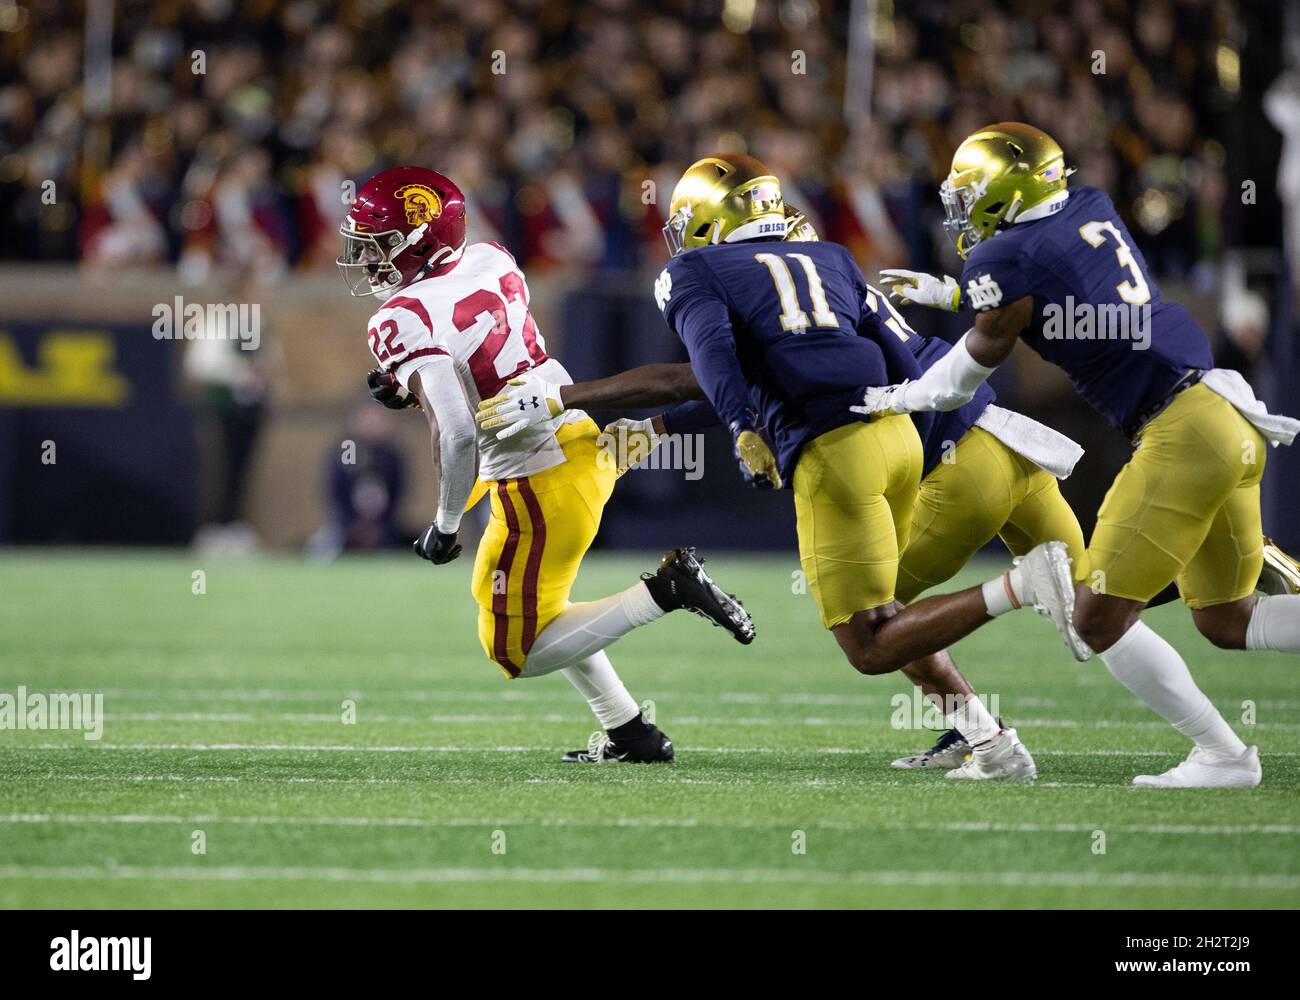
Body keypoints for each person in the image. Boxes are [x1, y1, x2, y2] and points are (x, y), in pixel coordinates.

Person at [480, 154, 1088, 780]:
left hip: (843, 456)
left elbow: (710, 365)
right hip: (905, 436)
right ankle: (988, 741)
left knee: (872, 640)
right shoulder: (831, 258)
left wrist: (730, 423)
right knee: (898, 613)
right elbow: (896, 366)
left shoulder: (695, 269)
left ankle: (1016, 592)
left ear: (709, 222)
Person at [861, 122, 1300, 787]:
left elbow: (964, 375)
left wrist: (898, 397)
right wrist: (953, 295)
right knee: (1226, 618)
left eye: (973, 191)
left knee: (1095, 617)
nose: (962, 207)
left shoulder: (1004, 260)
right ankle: (1223, 754)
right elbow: (1061, 291)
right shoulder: (1088, 203)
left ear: (1007, 190)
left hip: (1183, 432)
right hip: (1226, 414)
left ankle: (1223, 755)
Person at [338, 165, 754, 764]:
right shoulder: (492, 258)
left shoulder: (398, 317)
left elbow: (456, 433)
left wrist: (445, 524)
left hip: (538, 480)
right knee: (535, 605)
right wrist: (410, 387)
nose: (367, 260)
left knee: (514, 647)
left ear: (419, 241)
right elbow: (482, 354)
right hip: (577, 445)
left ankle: (666, 590)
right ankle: (631, 732)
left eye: (377, 245)